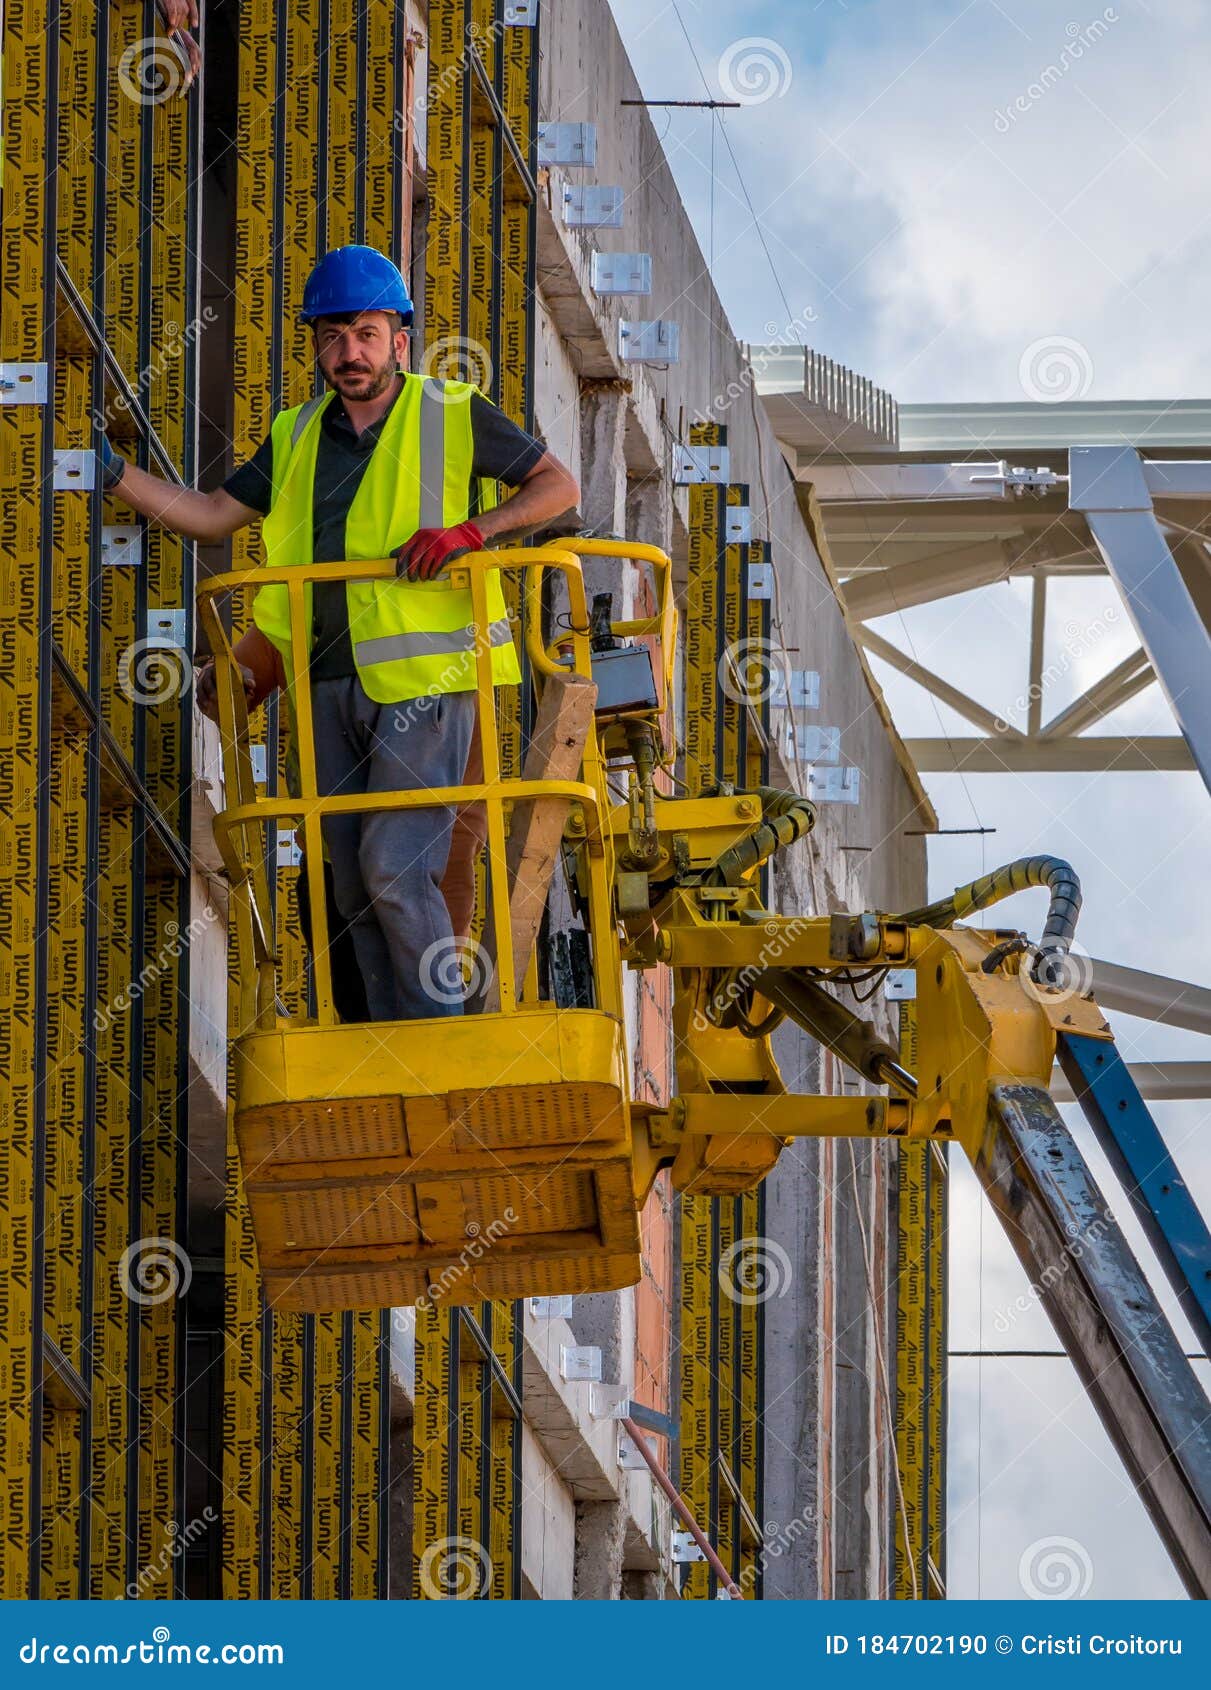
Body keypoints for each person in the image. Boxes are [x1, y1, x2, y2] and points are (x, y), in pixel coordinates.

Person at [104, 244, 580, 1021]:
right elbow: (211, 516)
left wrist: (472, 531)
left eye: (365, 333)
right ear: (316, 344)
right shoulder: (296, 434)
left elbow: (558, 486)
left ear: (399, 339)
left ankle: (439, 1035)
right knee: (349, 878)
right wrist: (114, 474)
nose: (347, 352)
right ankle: (381, 1041)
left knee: (394, 864)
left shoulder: (450, 410)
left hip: (428, 681)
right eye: (331, 336)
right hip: (324, 677)